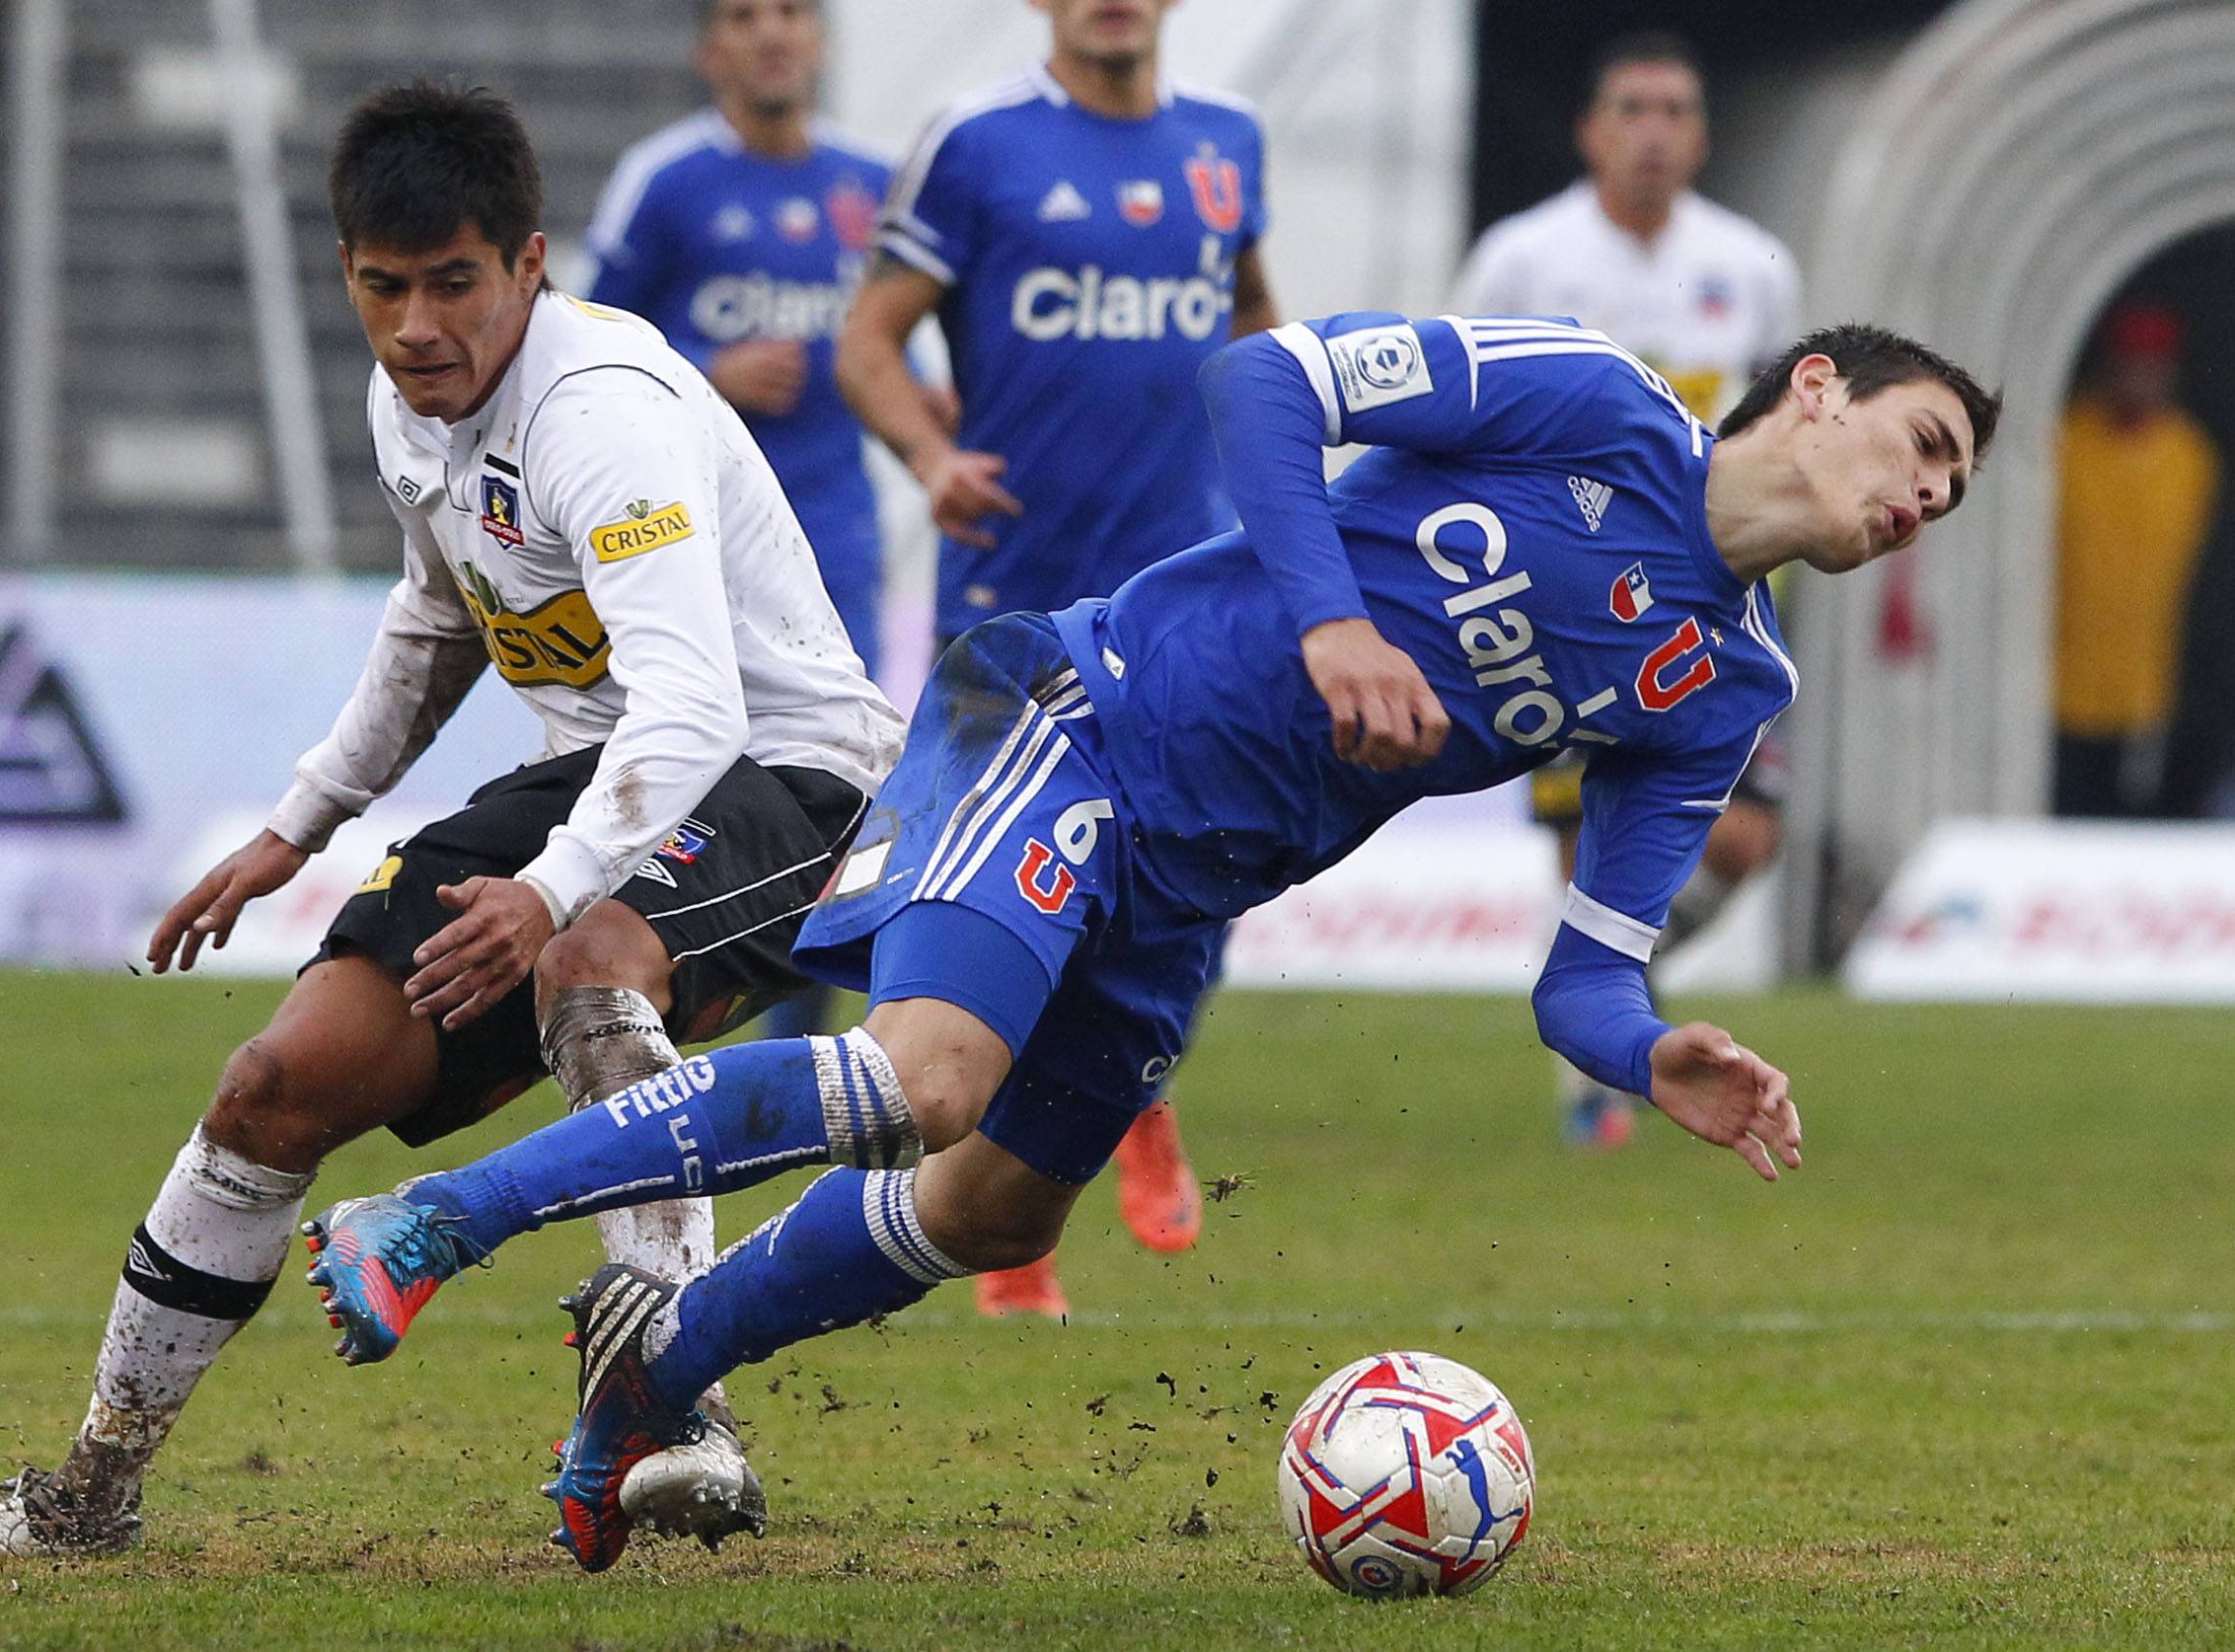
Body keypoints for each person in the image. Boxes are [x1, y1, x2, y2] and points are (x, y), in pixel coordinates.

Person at [305, 312, 1997, 1571]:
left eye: (1956, 490)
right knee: (932, 1082)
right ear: (1821, 387)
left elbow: (1583, 972)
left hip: (1188, 888)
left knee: (988, 1207)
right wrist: (1334, 619)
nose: (1928, 493)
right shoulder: (1602, 402)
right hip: (1077, 715)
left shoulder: (1729, 684)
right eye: (1923, 444)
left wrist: (1650, 1048)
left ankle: (645, 1379)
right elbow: (1267, 378)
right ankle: (431, 1214)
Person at [0, 81, 903, 1558]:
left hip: (789, 771)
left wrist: (549, 888)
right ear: (348, 275)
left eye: (453, 285)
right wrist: (300, 824)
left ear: (530, 266)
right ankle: (86, 1497)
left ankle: (686, 1411)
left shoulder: (598, 417)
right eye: (383, 287)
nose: (418, 324)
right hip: (603, 775)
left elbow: (698, 709)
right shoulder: (408, 400)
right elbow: (440, 622)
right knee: (275, 1082)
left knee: (594, 954)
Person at [834, 0, 1280, 1316]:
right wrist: (930, 454)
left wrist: (1281, 484)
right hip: (1015, 601)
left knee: (1200, 882)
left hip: (1181, 597)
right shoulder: (976, 143)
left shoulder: (1228, 142)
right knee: (997, 902)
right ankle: (1012, 1233)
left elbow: (1256, 323)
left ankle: (1136, 1094)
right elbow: (868, 338)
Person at [1452, 31, 1801, 1149]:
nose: (1653, 131)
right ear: (1591, 130)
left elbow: (1789, 432)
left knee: (1748, 836)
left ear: (1700, 135)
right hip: (1569, 589)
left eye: (1675, 111)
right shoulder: (1526, 257)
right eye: (1632, 108)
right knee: (1584, 830)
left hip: (1716, 601)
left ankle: (1605, 988)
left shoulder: (1750, 266)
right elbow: (1460, 397)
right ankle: (1599, 1072)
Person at [572, 0, 913, 1045]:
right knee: (691, 782)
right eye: (746, 17)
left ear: (818, 42)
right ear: (709, 49)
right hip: (687, 550)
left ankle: (799, 1043)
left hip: (833, 551)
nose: (772, 35)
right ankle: (624, 1005)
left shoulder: (872, 186)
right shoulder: (667, 181)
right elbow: (581, 345)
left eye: (793, 15)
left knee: (834, 797)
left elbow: (900, 355)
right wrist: (707, 368)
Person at [2050, 300, 2218, 816]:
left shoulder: (2191, 458)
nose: (2138, 378)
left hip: (2148, 694)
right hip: (2058, 688)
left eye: (2152, 366)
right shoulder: (2065, 443)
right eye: (2128, 363)